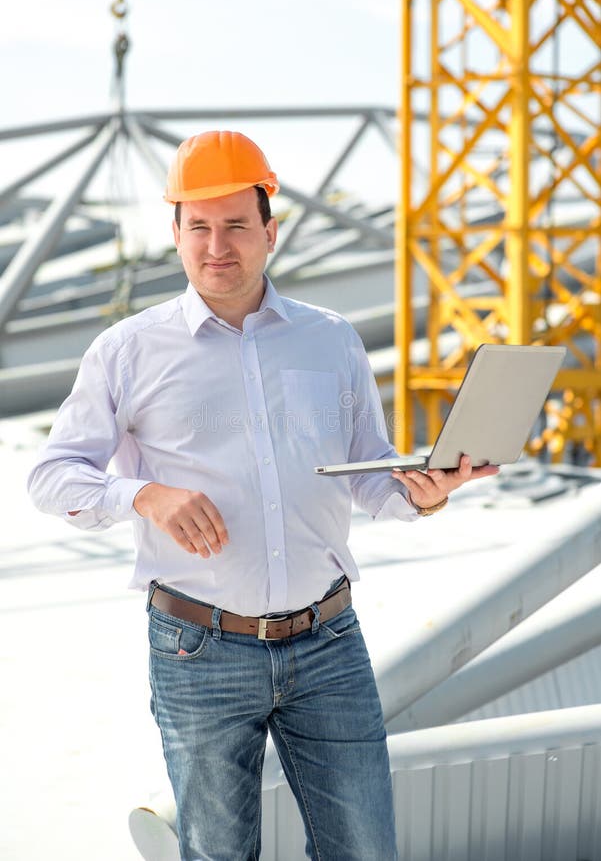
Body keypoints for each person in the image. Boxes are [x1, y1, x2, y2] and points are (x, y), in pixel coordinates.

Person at [28, 130, 498, 861]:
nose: (219, 245)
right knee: (220, 855)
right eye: (200, 227)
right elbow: (51, 476)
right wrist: (143, 495)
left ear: (269, 232)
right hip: (199, 651)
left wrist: (429, 492)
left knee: (365, 851)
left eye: (237, 225)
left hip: (329, 643)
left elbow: (372, 475)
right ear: (176, 234)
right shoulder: (127, 351)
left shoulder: (331, 340)